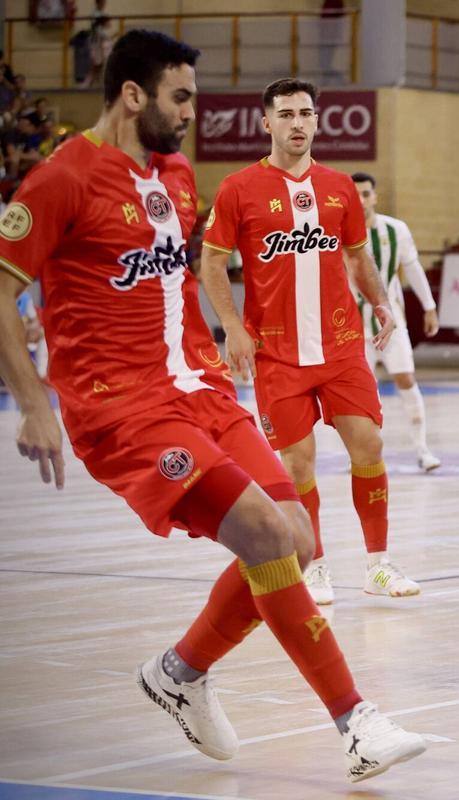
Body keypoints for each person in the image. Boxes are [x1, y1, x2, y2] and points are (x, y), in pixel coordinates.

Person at [0, 29, 425, 783]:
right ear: (133, 95)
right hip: (125, 410)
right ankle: (356, 722)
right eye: (182, 98)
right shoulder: (61, 179)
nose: (193, 112)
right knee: (264, 532)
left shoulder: (174, 174)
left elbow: (183, 278)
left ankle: (179, 672)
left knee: (298, 540)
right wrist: (33, 401)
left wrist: (219, 346)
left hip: (199, 389)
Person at [198, 78, 421, 607]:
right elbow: (212, 262)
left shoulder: (340, 187)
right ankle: (316, 565)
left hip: (341, 347)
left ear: (317, 120)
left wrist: (380, 301)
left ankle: (378, 566)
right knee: (298, 465)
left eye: (305, 113)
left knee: (369, 445)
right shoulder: (237, 188)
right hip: (277, 354)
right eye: (286, 114)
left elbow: (357, 256)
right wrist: (231, 326)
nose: (297, 123)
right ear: (267, 123)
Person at [352, 171, 442, 472]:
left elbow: (413, 268)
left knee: (405, 378)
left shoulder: (395, 230)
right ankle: (362, 455)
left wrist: (429, 306)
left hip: (392, 322)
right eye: (355, 194)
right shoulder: (335, 232)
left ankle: (423, 449)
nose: (361, 200)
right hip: (352, 327)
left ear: (375, 197)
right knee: (360, 393)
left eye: (366, 194)